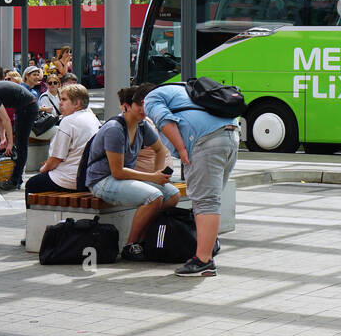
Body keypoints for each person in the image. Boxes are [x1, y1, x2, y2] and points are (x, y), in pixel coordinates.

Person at [144, 81, 238, 277]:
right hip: (231, 135)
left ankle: (203, 261)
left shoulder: (152, 98)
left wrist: (181, 149)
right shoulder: (185, 90)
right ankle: (207, 248)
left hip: (205, 140)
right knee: (211, 200)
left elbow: (164, 120)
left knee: (205, 202)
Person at [84, 84, 179, 255]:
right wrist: (152, 177)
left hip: (123, 179)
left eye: (146, 104)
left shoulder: (142, 125)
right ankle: (131, 245)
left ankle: (144, 237)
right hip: (101, 181)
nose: (144, 109)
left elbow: (160, 149)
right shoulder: (115, 129)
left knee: (173, 195)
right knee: (154, 196)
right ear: (127, 106)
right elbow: (117, 171)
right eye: (139, 104)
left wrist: (158, 176)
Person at [25, 84, 100, 195]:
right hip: (88, 177)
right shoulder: (92, 118)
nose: (60, 103)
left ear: (77, 103)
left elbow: (56, 158)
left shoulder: (69, 121)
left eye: (64, 99)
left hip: (69, 179)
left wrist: (44, 169)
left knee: (31, 184)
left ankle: (35, 213)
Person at [0, 70, 42, 191]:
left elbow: (6, 120)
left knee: (21, 145)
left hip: (28, 107)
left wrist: (10, 143)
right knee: (20, 145)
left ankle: (15, 180)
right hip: (24, 107)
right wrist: (3, 138)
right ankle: (16, 179)